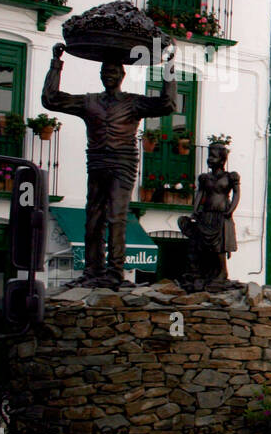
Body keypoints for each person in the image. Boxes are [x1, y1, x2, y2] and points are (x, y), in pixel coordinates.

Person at [43, 42, 177, 287]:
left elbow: (168, 104)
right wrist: (56, 64)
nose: (109, 76)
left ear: (122, 75)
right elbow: (50, 100)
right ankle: (93, 271)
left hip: (123, 164)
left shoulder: (133, 102)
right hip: (96, 163)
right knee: (93, 218)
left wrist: (169, 65)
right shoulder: (89, 101)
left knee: (117, 216)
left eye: (113, 72)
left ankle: (115, 271)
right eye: (105, 73)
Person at [178, 141, 240, 290]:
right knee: (205, 247)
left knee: (219, 248)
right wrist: (195, 209)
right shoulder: (205, 178)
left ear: (222, 159)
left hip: (221, 215)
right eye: (209, 156)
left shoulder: (230, 177)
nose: (209, 160)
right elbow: (200, 193)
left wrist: (230, 210)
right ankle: (206, 274)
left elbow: (237, 193)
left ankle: (222, 273)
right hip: (206, 215)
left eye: (213, 156)